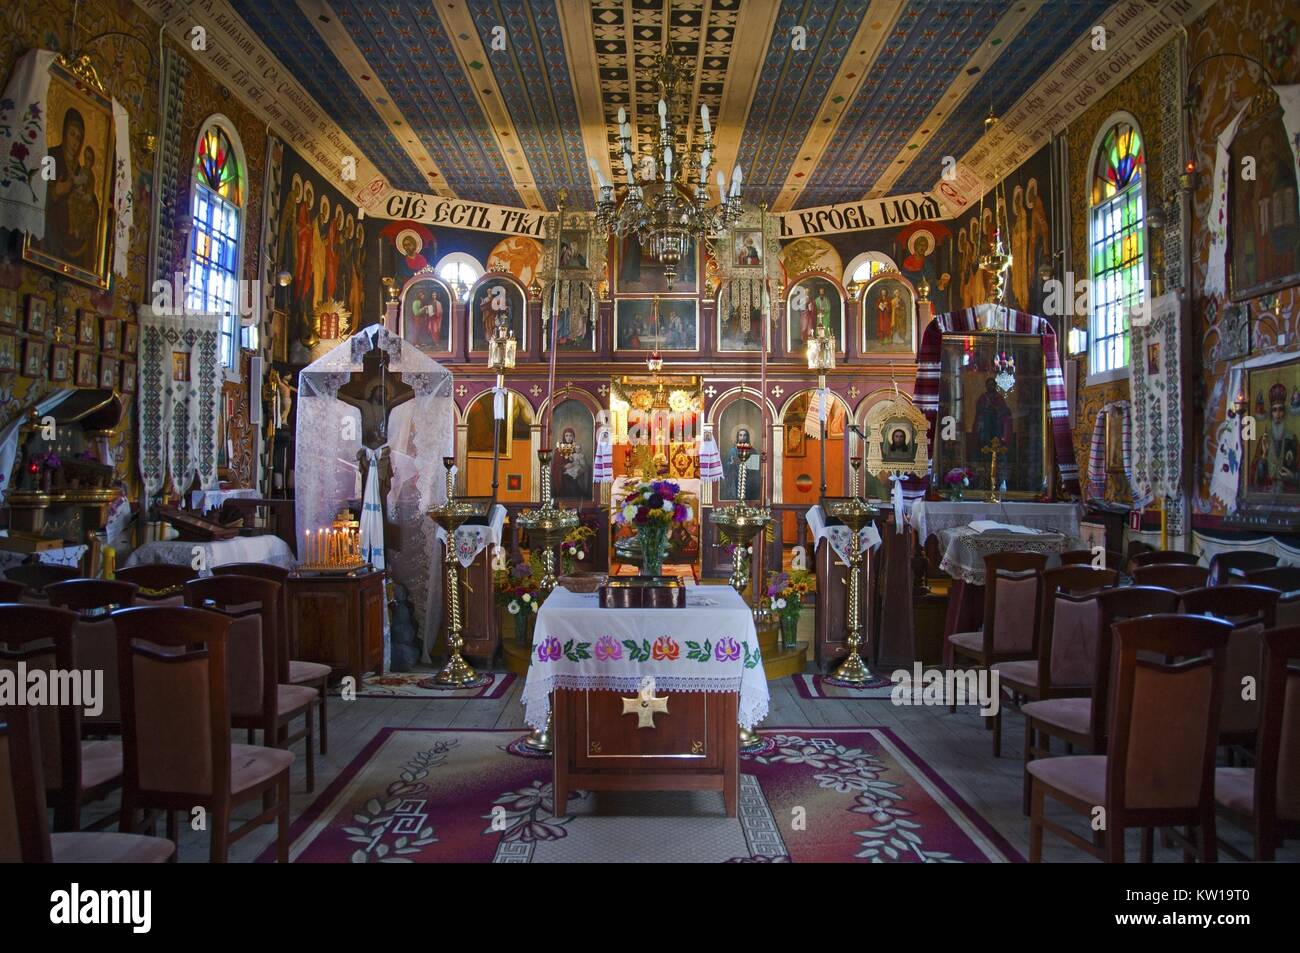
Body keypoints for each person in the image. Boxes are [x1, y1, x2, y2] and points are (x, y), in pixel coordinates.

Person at [40, 108, 99, 271]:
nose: (75, 142)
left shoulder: (81, 171)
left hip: (74, 250)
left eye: (79, 138)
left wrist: (91, 202)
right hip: (50, 241)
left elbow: (91, 200)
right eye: (72, 134)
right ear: (64, 132)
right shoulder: (51, 158)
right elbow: (36, 194)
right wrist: (56, 192)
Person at [1254, 382, 1299, 491]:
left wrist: (1293, 477)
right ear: (1271, 414)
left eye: (1280, 409)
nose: (1278, 414)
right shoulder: (1263, 439)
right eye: (1274, 410)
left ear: (1284, 412)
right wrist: (1264, 456)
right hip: (1267, 494)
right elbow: (1255, 478)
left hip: (1288, 494)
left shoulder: (1292, 438)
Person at [558, 427, 590, 498]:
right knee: (571, 485)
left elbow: (581, 462)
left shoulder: (575, 448)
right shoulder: (559, 449)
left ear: (573, 437)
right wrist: (564, 466)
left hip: (576, 472)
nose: (568, 438)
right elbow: (555, 465)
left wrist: (581, 467)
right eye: (566, 435)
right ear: (564, 436)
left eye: (570, 435)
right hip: (564, 474)